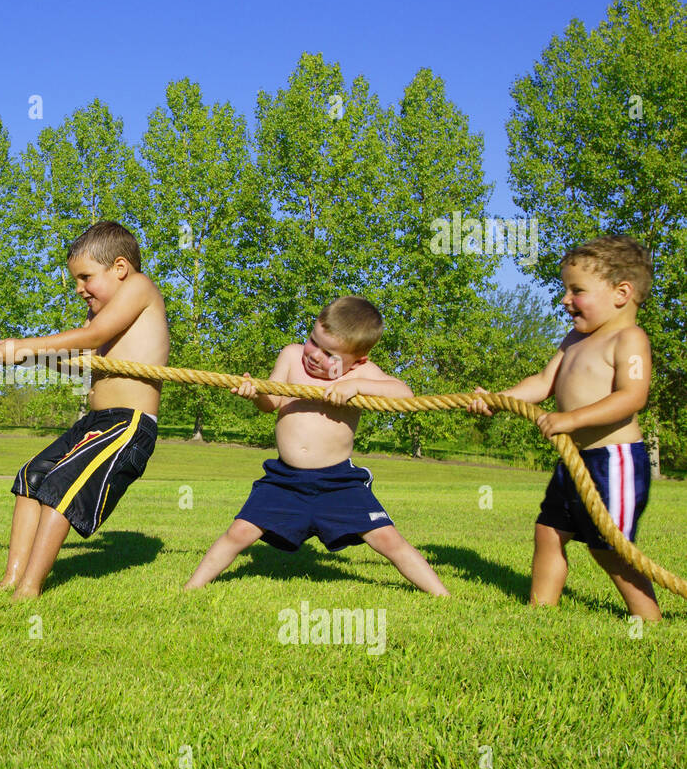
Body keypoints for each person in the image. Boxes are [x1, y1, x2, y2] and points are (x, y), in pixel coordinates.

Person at [185, 296, 449, 595]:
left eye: (330, 354)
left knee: (388, 540)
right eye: (314, 341)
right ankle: (191, 588)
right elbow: (270, 403)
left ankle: (442, 595)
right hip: (284, 480)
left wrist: (356, 386)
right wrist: (255, 393)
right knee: (240, 531)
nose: (315, 356)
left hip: (338, 483)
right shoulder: (291, 356)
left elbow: (405, 396)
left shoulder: (359, 374)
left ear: (357, 359)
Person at [468, 235, 658, 619]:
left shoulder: (629, 339)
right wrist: (498, 398)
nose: (565, 299)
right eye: (564, 289)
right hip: (573, 460)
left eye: (577, 290)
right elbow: (542, 382)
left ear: (622, 292)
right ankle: (541, 612)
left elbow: (631, 397)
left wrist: (571, 419)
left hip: (614, 461)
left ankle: (648, 618)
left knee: (610, 548)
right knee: (548, 531)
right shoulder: (574, 340)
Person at [0, 220, 170, 599]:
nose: (78, 289)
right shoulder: (101, 311)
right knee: (31, 478)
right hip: (96, 420)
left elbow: (93, 338)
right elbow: (82, 358)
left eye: (85, 277)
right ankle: (10, 578)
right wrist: (26, 358)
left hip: (129, 424)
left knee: (61, 489)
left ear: (120, 268)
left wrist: (26, 343)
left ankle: (29, 589)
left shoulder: (139, 287)